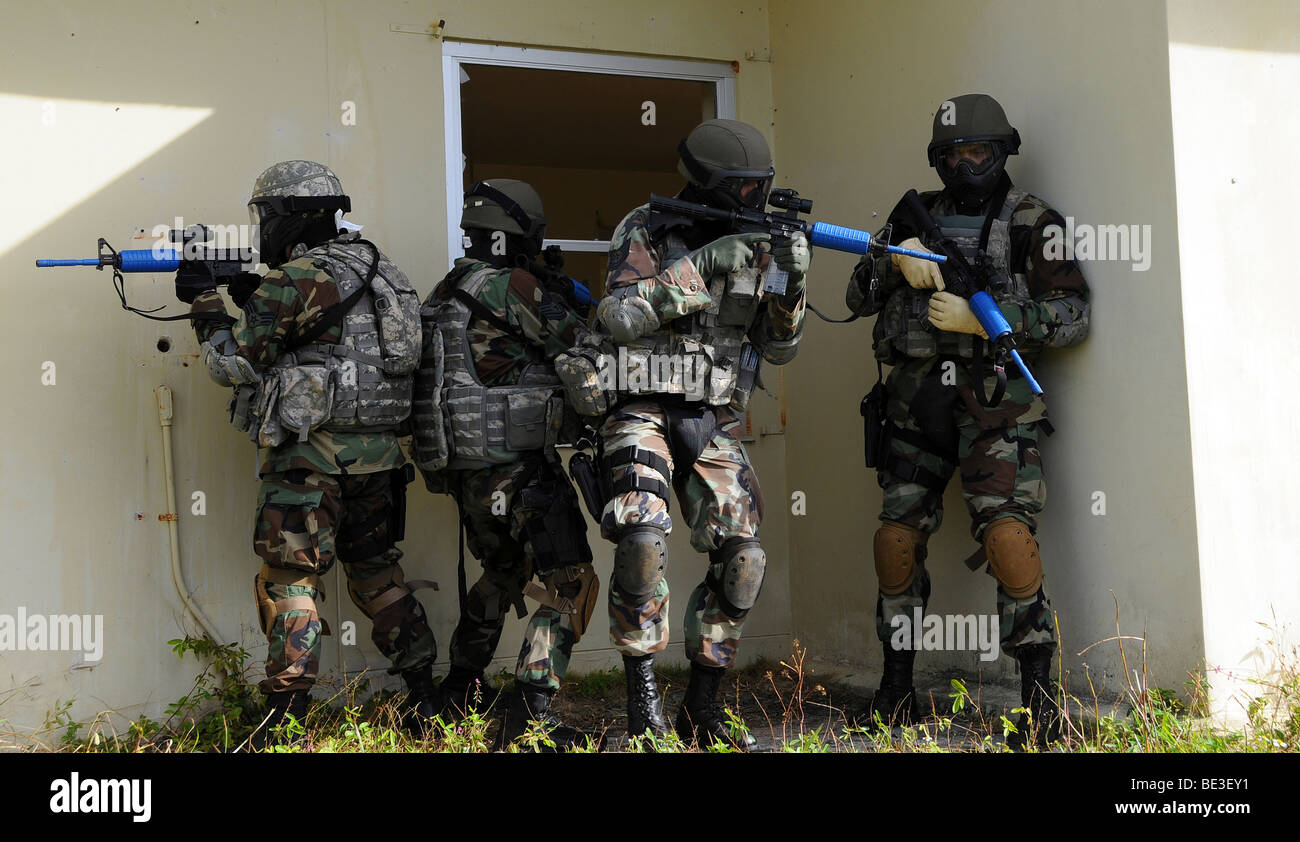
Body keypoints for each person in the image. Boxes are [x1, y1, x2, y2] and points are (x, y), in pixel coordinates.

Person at [845, 95, 1090, 748]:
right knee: (895, 543)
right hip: (913, 407)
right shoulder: (911, 215)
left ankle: (1041, 707)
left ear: (1003, 152)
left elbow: (1072, 315)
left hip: (997, 409)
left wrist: (992, 317)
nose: (964, 165)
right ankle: (895, 691)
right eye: (950, 155)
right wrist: (892, 263)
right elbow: (854, 293)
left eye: (977, 152)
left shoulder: (1032, 219)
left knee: (1010, 542)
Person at [179, 160, 439, 745]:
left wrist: (205, 305)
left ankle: (285, 720)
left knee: (291, 583)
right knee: (379, 576)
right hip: (381, 462)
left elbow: (231, 364)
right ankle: (428, 696)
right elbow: (341, 342)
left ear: (294, 216)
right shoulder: (383, 270)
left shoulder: (298, 277)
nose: (262, 228)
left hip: (309, 464)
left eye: (266, 215)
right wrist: (259, 294)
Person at [591, 118, 809, 749]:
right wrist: (703, 265)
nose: (752, 202)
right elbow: (619, 317)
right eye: (739, 191)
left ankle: (702, 709)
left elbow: (780, 347)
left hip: (711, 418)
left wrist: (792, 283)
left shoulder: (768, 242)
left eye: (758, 189)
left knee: (744, 558)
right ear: (706, 184)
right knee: (641, 539)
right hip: (641, 407)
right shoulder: (649, 228)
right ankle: (643, 710)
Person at [410, 179, 599, 751]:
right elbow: (582, 345)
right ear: (519, 237)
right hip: (519, 471)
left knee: (503, 574)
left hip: (468, 473)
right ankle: (530, 715)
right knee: (572, 582)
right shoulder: (515, 287)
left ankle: (457, 692)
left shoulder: (446, 289)